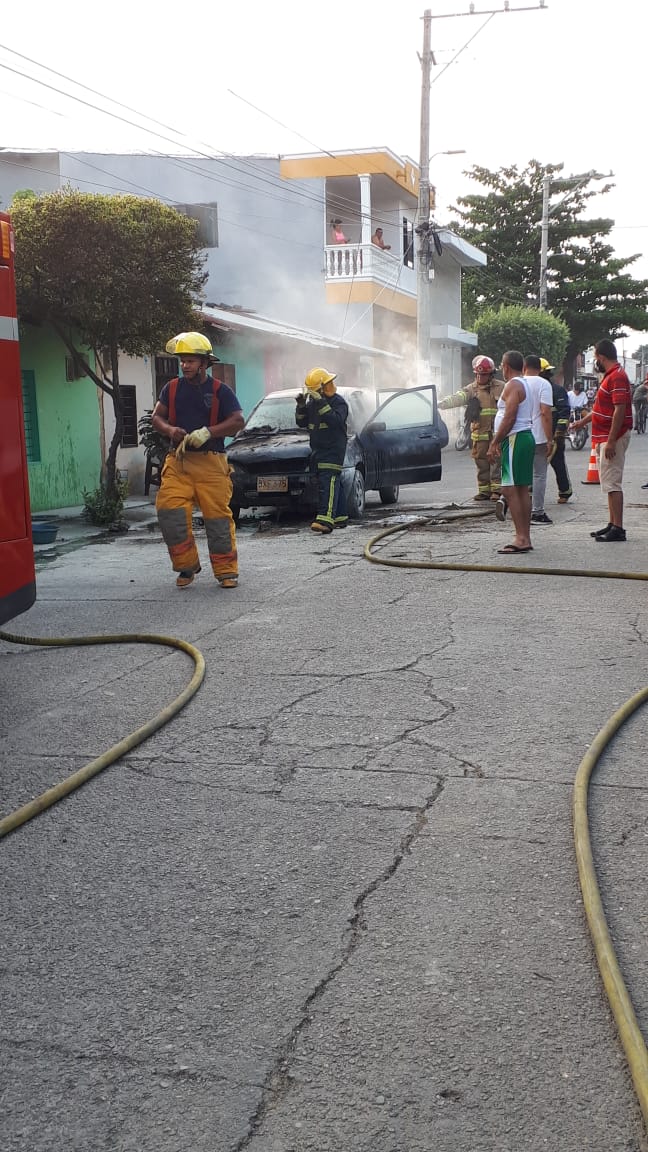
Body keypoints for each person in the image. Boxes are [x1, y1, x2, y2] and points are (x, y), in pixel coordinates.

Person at [152, 331, 245, 588]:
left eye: (190, 361)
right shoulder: (170, 389)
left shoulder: (220, 391)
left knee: (217, 519)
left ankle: (226, 571)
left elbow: (237, 421)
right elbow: (156, 418)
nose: (185, 365)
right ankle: (186, 566)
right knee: (169, 513)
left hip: (212, 463)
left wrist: (209, 432)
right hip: (179, 462)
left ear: (204, 363)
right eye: (182, 360)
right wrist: (170, 430)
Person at [571, 339, 633, 542]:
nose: (595, 360)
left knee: (613, 483)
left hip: (611, 436)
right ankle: (612, 523)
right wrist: (582, 423)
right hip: (603, 436)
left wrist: (613, 440)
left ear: (602, 357)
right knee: (608, 482)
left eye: (596, 356)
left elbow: (620, 409)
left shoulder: (617, 377)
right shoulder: (609, 376)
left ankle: (618, 528)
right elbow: (599, 409)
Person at [487, 350, 535, 553]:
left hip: (515, 439)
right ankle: (524, 536)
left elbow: (510, 416)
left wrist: (495, 441)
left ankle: (521, 537)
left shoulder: (513, 385)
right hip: (522, 438)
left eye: (501, 365)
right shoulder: (524, 384)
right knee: (521, 489)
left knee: (509, 489)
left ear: (506, 366)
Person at [438, 355, 505, 500]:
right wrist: (441, 404)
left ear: (491, 374)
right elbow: (457, 397)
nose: (480, 378)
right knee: (481, 463)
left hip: (496, 434)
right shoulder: (471, 389)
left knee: (496, 462)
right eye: (478, 375)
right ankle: (484, 491)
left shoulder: (502, 387)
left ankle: (497, 491)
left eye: (484, 375)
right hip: (479, 434)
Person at [295, 367, 349, 533]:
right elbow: (302, 423)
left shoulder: (339, 403)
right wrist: (301, 406)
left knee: (328, 481)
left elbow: (336, 421)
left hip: (333, 449)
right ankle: (340, 516)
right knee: (334, 482)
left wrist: (321, 402)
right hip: (319, 450)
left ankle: (325, 520)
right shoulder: (312, 404)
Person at [523, 355, 554, 525]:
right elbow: (545, 413)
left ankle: (509, 502)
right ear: (540, 369)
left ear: (524, 367)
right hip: (538, 437)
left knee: (518, 473)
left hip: (519, 435)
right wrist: (549, 439)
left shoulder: (516, 383)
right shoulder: (544, 384)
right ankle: (537, 512)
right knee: (539, 475)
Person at [539, 357, 572, 504]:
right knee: (536, 465)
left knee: (557, 462)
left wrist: (559, 432)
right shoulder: (535, 390)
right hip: (538, 434)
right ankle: (530, 492)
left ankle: (565, 491)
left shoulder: (557, 391)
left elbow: (564, 412)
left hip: (554, 435)